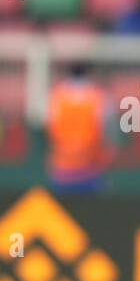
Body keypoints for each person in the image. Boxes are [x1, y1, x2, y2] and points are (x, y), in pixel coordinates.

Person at [46, 63, 110, 193]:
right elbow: (105, 128)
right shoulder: (97, 96)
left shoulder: (57, 95)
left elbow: (50, 126)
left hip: (62, 165)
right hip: (89, 165)